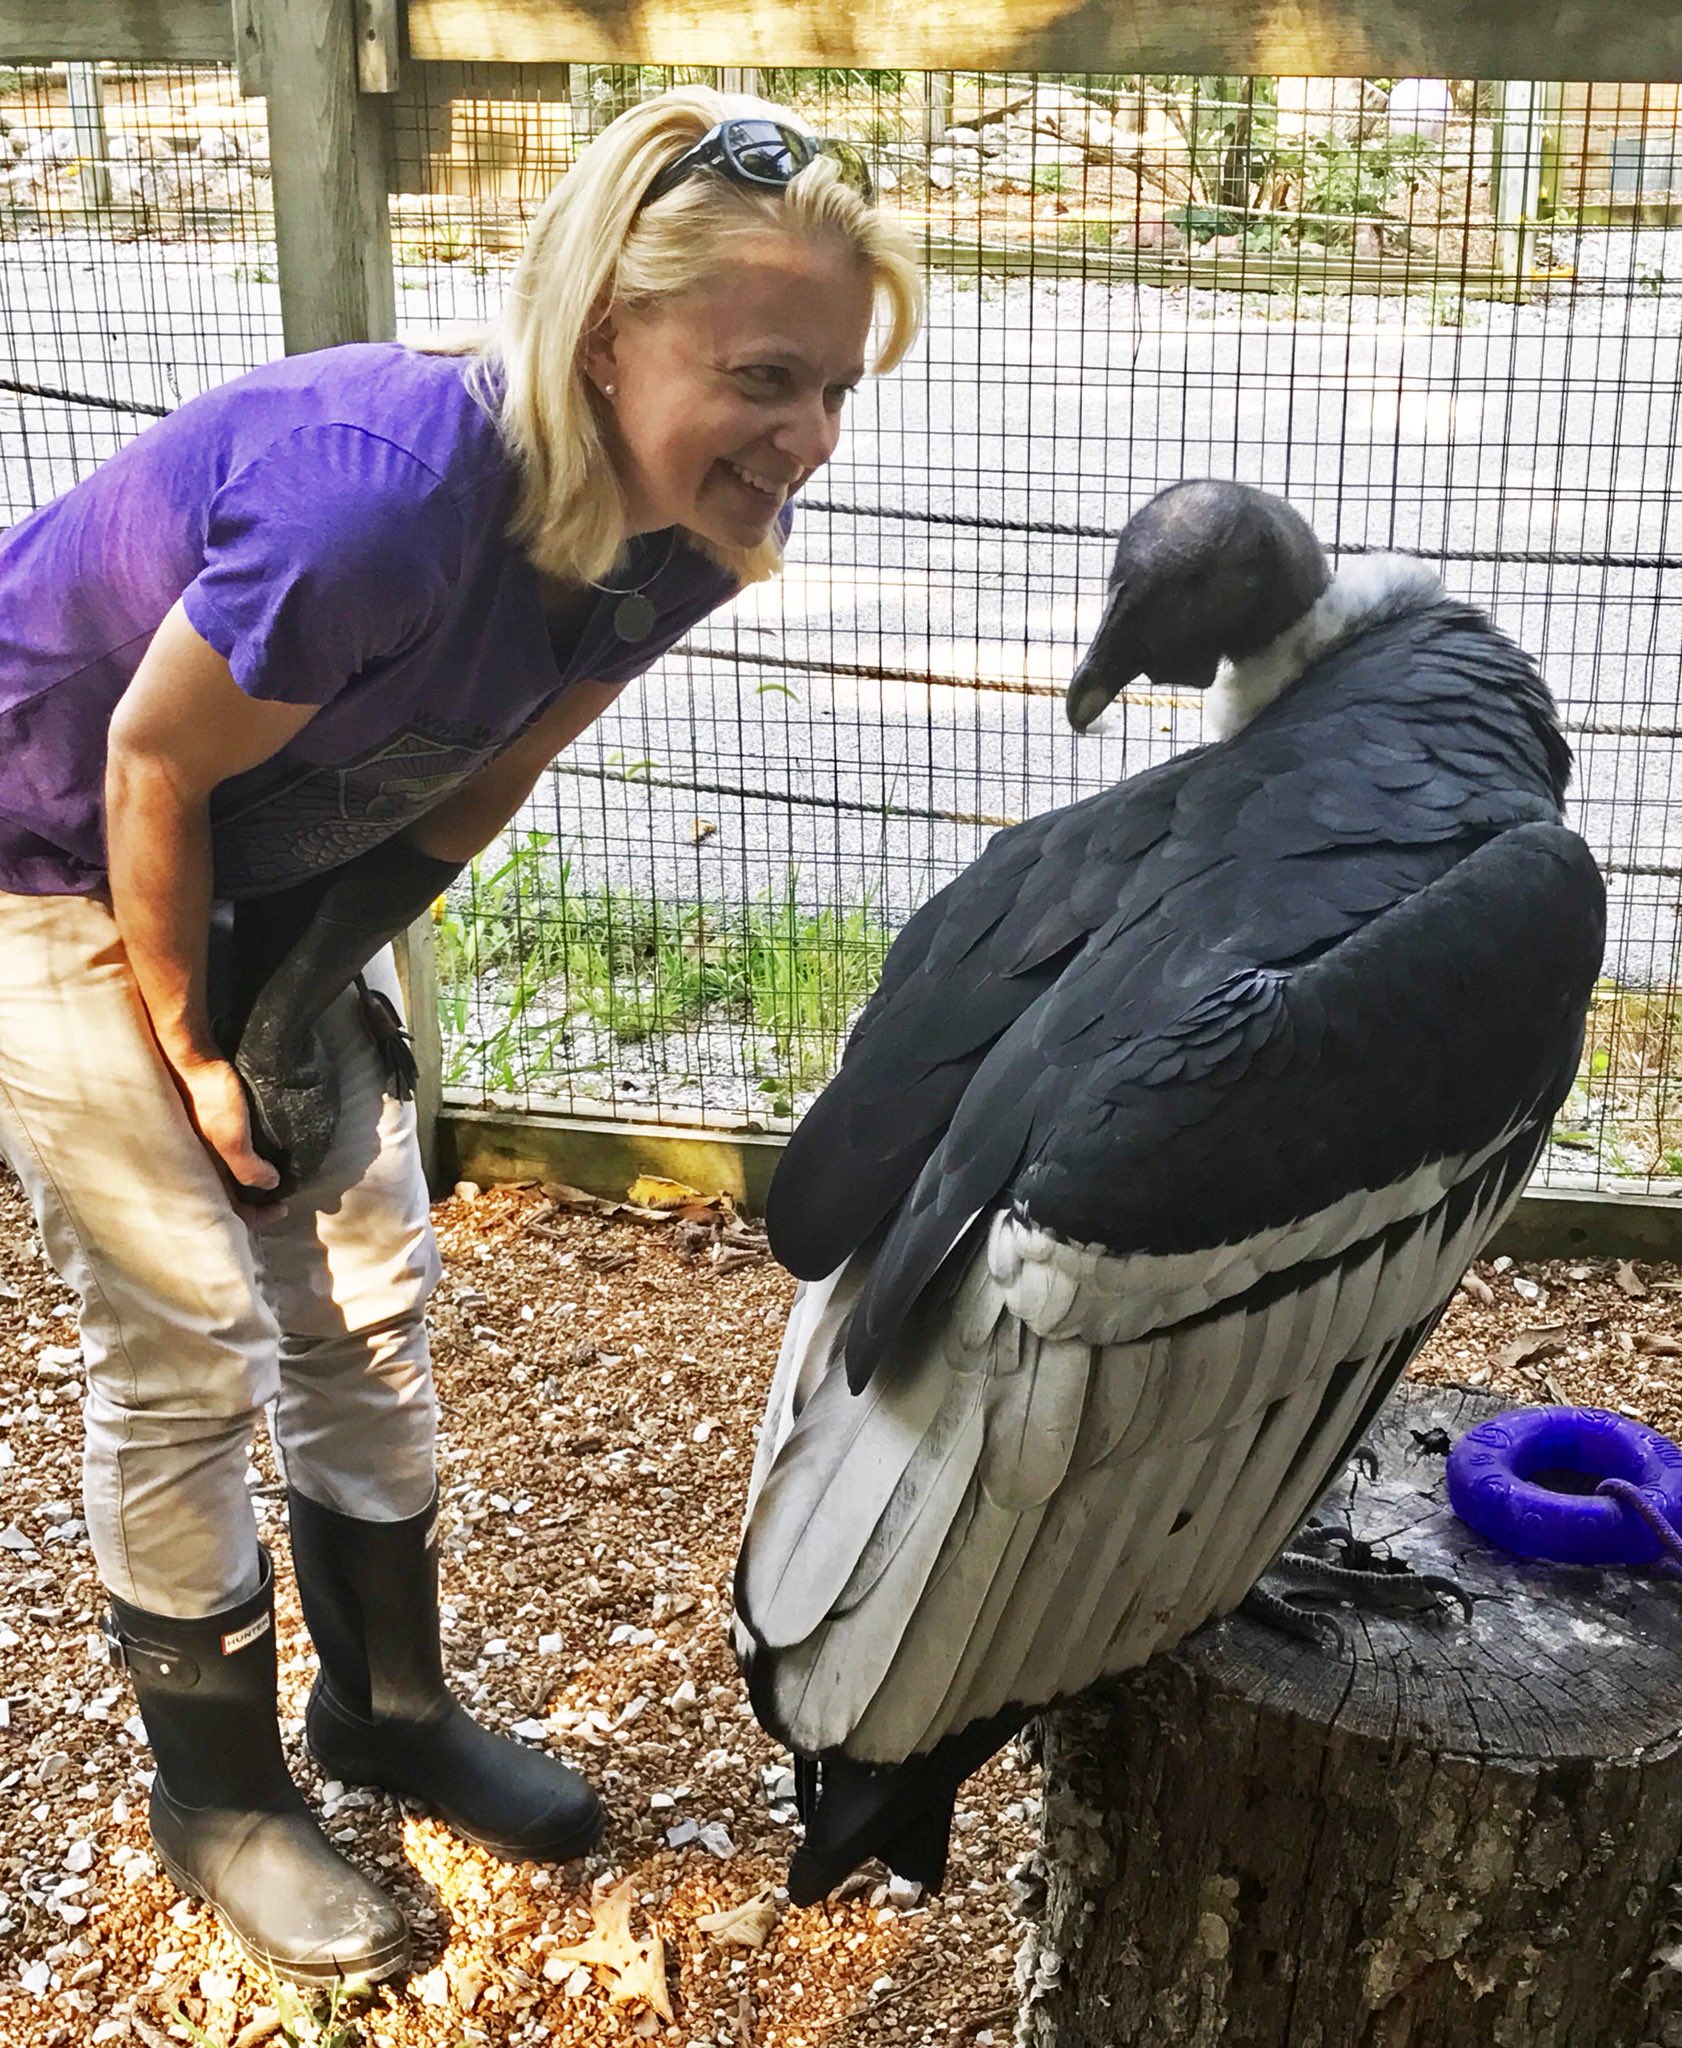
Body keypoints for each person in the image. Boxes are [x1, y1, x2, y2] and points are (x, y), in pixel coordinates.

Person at [0, 85, 920, 1983]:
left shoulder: (674, 535)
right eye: (766, 376)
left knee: (360, 1272)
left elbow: (462, 796)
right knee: (184, 1311)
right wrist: (188, 1041)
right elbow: (146, 763)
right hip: (47, 840)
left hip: (248, 860)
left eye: (836, 388)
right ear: (605, 335)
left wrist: (290, 995)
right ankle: (222, 1795)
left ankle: (387, 1709)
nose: (809, 439)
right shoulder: (380, 506)